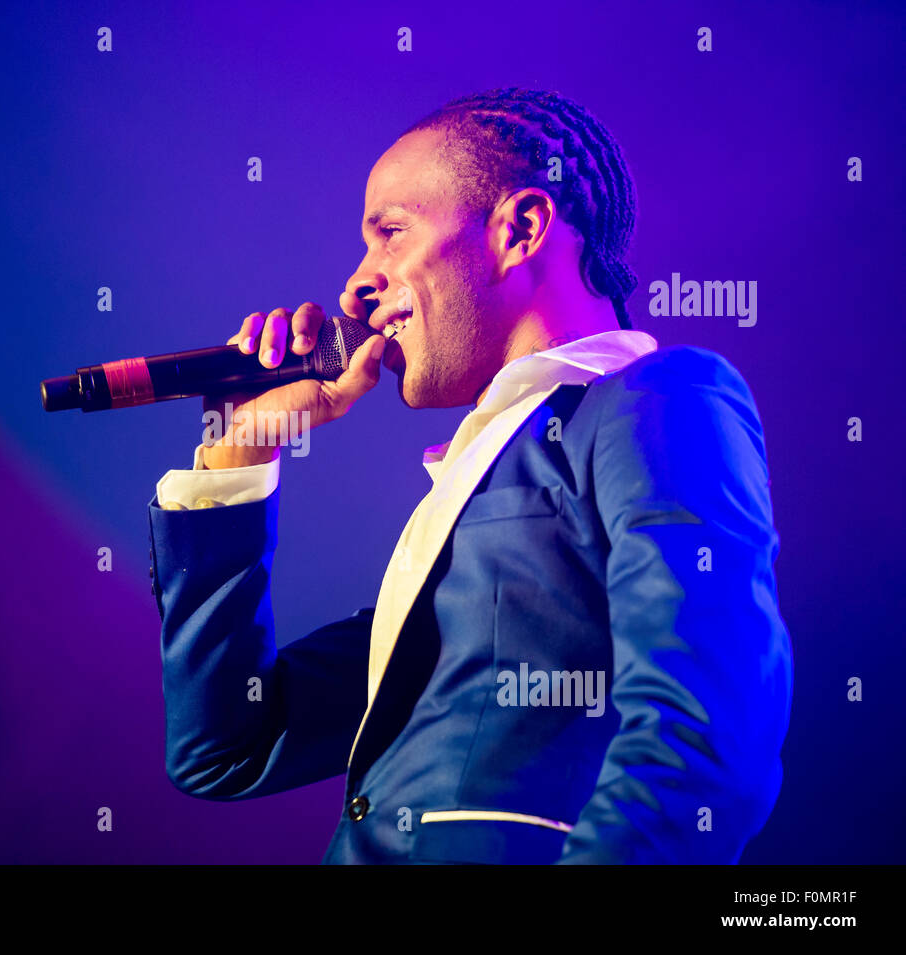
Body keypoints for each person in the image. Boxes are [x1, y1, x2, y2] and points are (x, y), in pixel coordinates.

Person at [146, 88, 793, 863]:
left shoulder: (656, 400)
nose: (357, 284)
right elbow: (223, 748)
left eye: (390, 232)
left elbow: (708, 733)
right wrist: (242, 444)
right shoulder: (464, 516)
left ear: (519, 230)